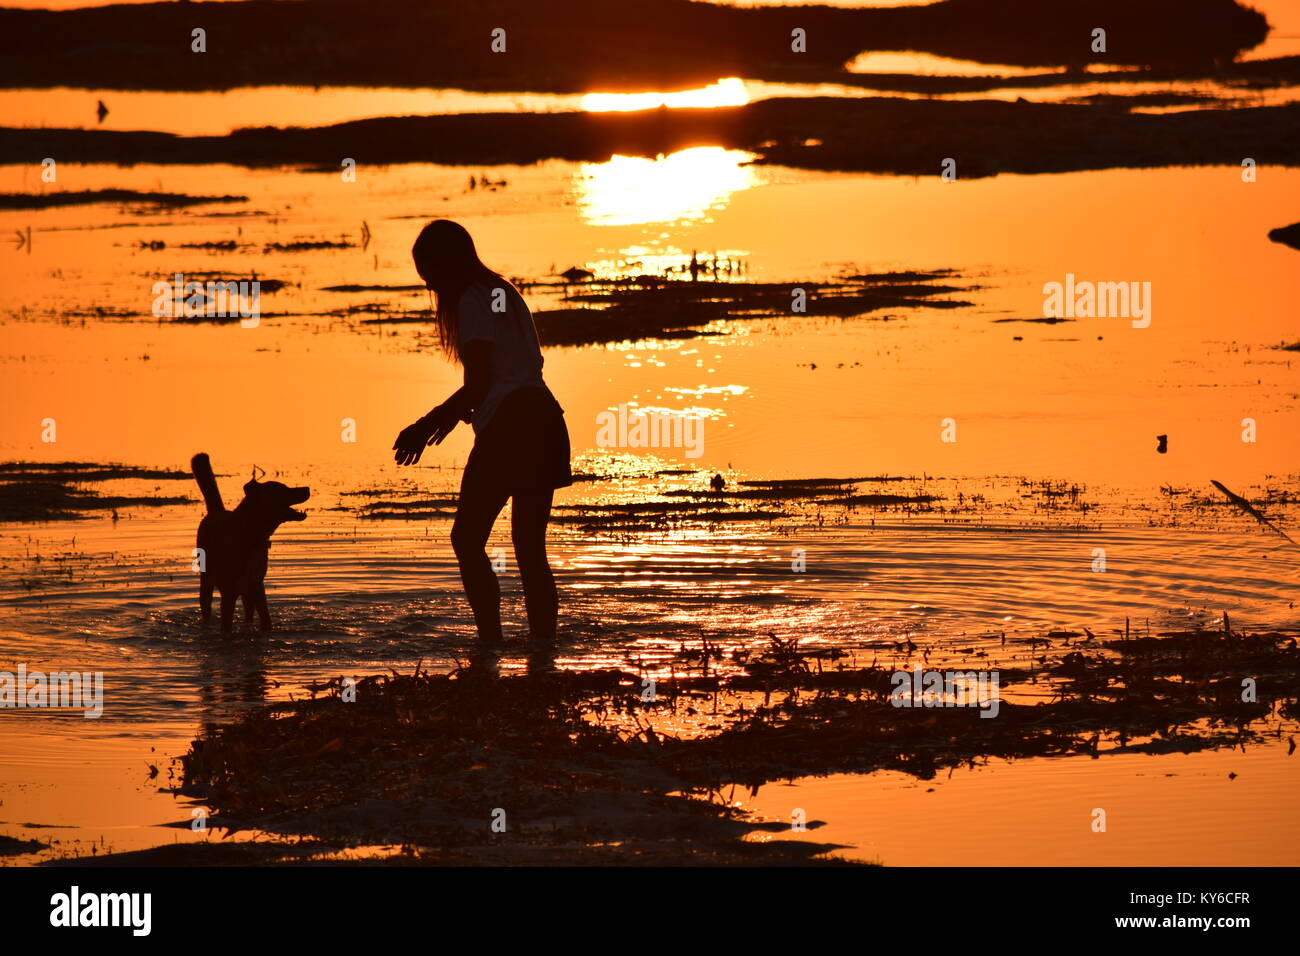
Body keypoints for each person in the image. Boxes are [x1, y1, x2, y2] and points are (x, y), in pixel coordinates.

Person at [393, 220, 571, 646]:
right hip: (544, 419)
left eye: (433, 281)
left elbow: (480, 383)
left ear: (447, 265)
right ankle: (541, 652)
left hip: (511, 427)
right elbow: (499, 376)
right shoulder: (503, 291)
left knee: (467, 540)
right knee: (529, 551)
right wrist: (454, 417)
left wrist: (428, 423)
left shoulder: (473, 299)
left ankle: (490, 643)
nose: (435, 293)